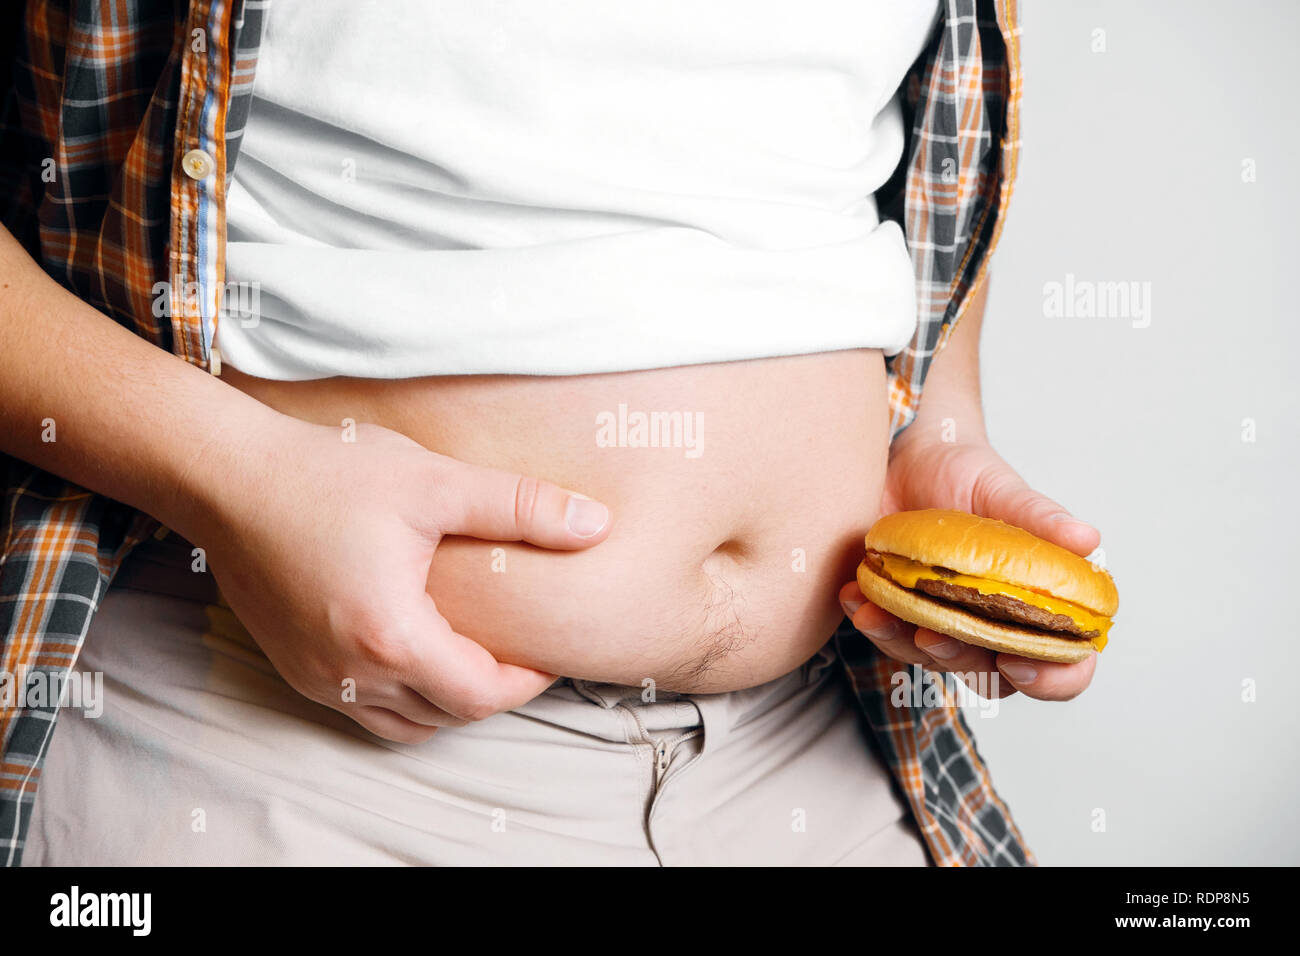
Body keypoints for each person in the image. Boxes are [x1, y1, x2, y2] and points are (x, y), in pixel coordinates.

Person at [0, 0, 1098, 866]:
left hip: (820, 753)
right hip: (286, 747)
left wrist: (937, 428)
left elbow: (893, 153)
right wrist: (231, 476)